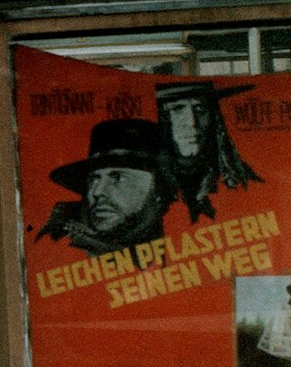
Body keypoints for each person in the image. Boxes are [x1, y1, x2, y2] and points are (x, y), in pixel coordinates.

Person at [36, 118, 173, 256]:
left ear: (156, 188)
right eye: (93, 180)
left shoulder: (176, 241)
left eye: (118, 178)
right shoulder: (59, 247)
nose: (97, 191)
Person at [155, 80, 258, 222]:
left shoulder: (236, 176)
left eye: (200, 109)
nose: (192, 122)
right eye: (178, 109)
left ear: (214, 117)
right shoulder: (148, 181)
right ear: (163, 117)